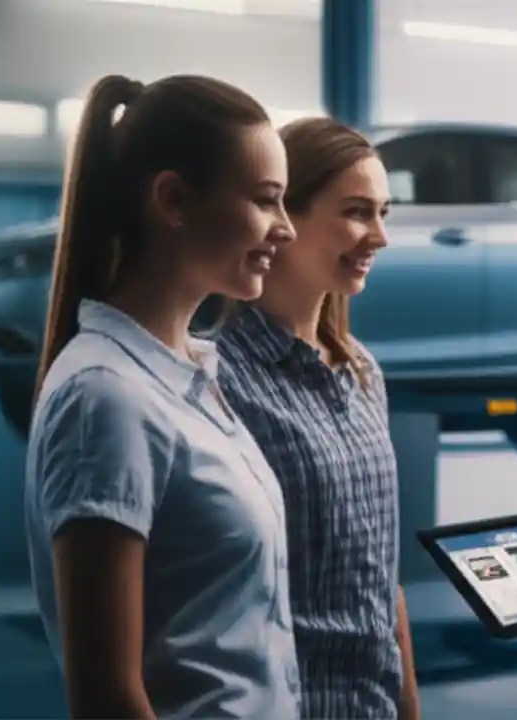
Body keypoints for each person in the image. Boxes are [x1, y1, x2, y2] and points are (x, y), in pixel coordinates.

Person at [24, 74, 301, 719]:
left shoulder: (191, 375)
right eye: (266, 201)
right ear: (173, 200)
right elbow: (107, 698)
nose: (284, 229)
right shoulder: (106, 398)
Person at [214, 117, 419, 719]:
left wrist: (408, 704)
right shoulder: (217, 378)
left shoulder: (361, 373)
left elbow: (382, 576)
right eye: (357, 212)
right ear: (282, 217)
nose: (378, 236)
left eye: (384, 213)